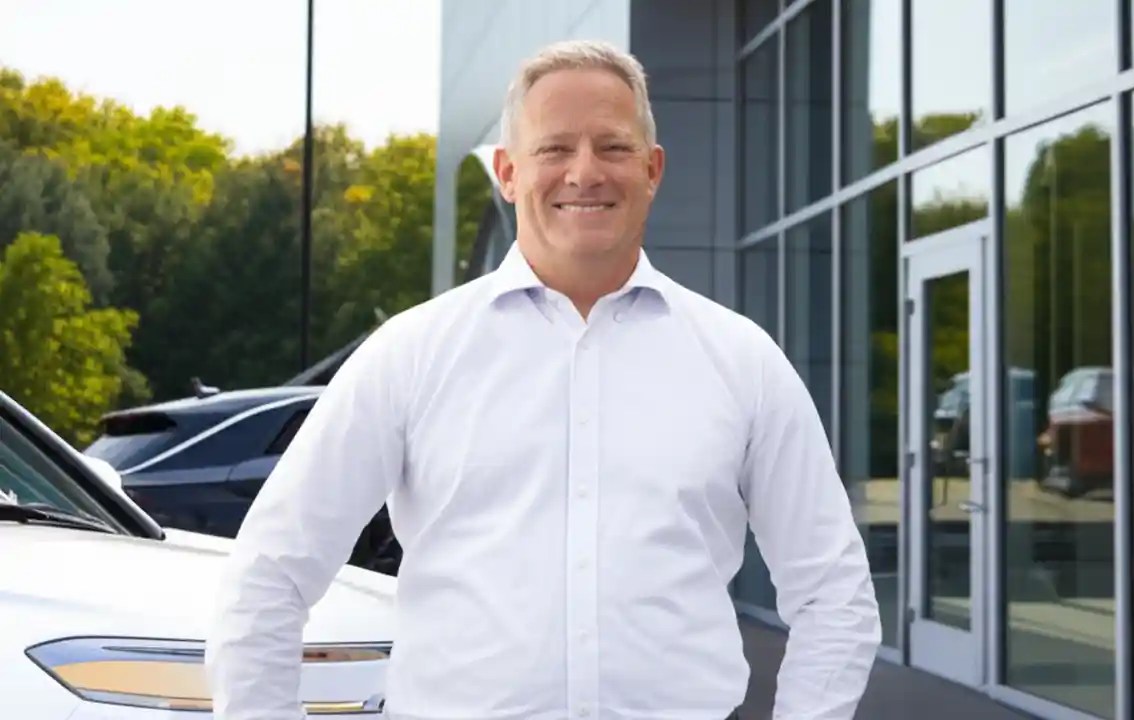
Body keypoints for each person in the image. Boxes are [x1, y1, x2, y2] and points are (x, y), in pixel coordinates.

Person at [206, 39, 880, 720]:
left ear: (653, 169)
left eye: (613, 147)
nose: (584, 172)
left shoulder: (741, 360)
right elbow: (270, 577)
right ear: (507, 171)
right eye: (555, 149)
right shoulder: (411, 354)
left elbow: (834, 594)